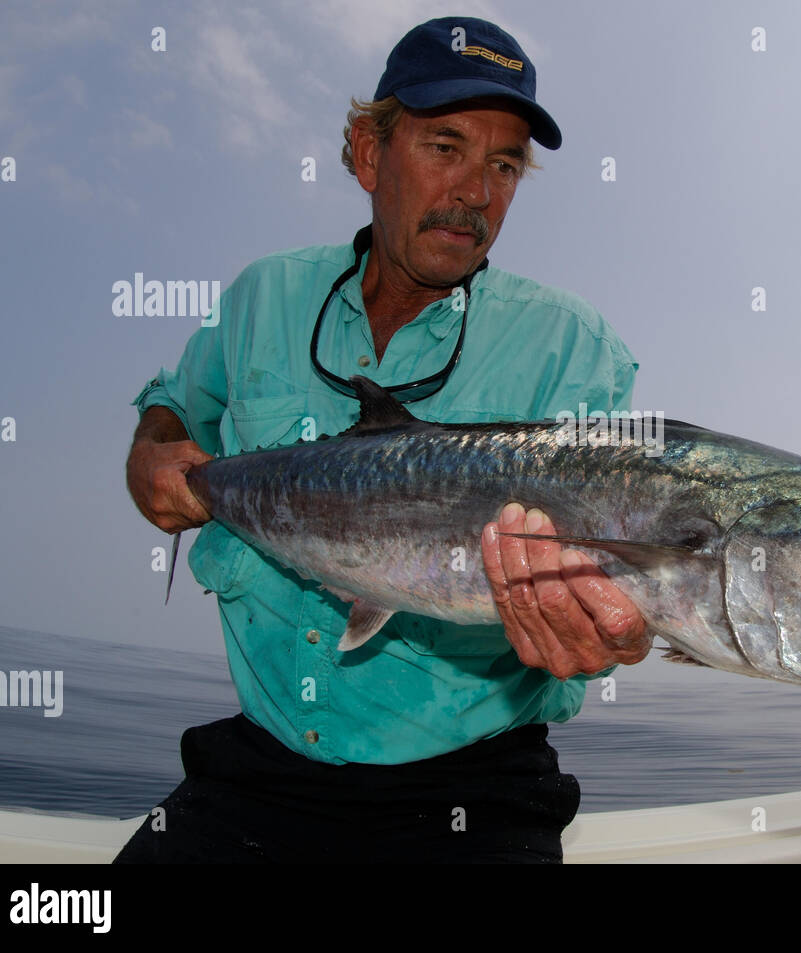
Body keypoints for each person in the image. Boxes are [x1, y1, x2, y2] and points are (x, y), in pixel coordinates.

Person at [118, 16, 649, 863]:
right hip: (260, 768)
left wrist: (603, 637)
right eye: (446, 147)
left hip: (473, 788)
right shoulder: (263, 297)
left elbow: (610, 576)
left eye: (504, 165)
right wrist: (154, 447)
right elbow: (176, 405)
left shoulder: (573, 349)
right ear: (368, 152)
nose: (477, 191)